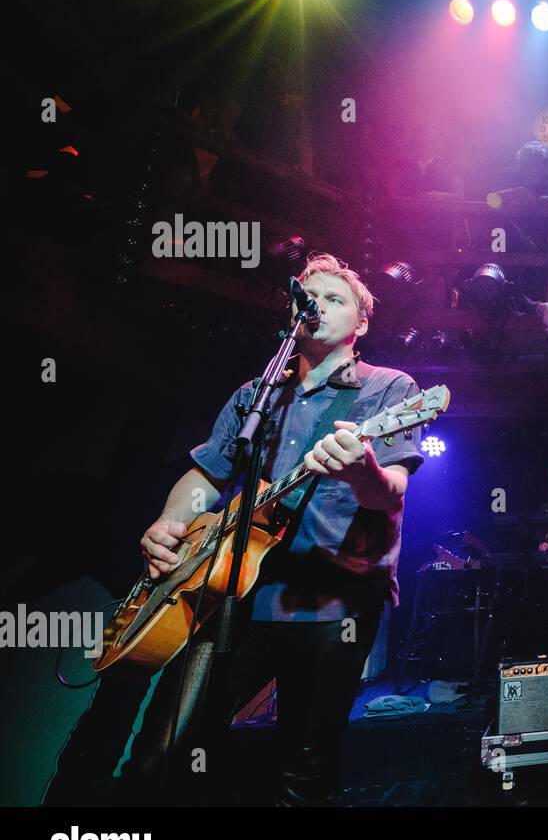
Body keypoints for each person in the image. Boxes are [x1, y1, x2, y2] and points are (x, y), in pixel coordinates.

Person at [124, 254, 424, 806]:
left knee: (303, 771)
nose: (316, 306)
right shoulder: (255, 394)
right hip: (232, 594)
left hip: (334, 604)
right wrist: (171, 521)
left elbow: (391, 492)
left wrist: (362, 469)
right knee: (163, 752)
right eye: (307, 298)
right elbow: (208, 474)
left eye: (335, 299)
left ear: (361, 323)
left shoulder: (388, 389)